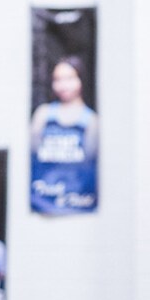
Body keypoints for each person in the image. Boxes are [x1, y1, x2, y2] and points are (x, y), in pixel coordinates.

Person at [30, 55, 98, 210]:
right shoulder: (43, 114)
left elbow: (89, 163)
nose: (63, 85)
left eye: (69, 78)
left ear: (80, 79)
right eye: (57, 79)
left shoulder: (91, 121)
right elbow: (32, 153)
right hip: (41, 201)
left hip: (78, 202)